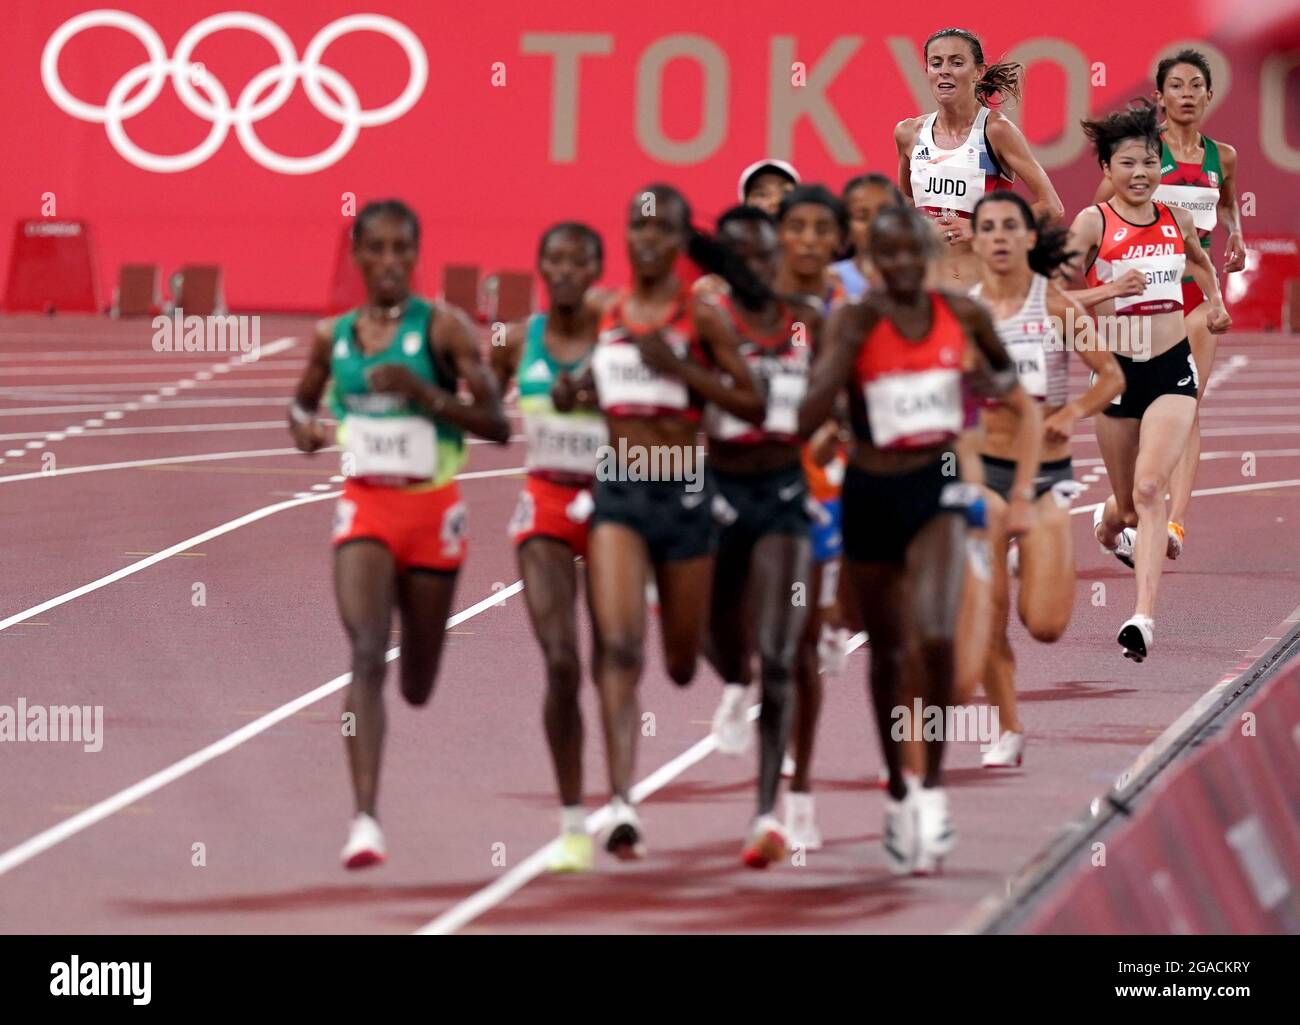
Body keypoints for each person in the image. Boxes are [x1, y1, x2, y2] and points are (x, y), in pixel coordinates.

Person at [799, 204, 1041, 875]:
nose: (903, 265)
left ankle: (931, 790)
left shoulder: (960, 317)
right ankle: (900, 790)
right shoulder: (852, 320)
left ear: (929, 257)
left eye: (915, 253)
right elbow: (814, 407)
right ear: (873, 263)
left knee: (934, 636)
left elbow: (1005, 383)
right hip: (870, 495)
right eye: (889, 255)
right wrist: (835, 366)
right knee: (888, 652)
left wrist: (985, 379)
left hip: (935, 490)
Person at [287, 199, 509, 868]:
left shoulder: (444, 328)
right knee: (363, 650)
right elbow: (302, 405)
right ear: (356, 256)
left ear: (416, 255)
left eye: (400, 250)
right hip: (366, 508)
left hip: (432, 512)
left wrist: (423, 390)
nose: (388, 262)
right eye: (375, 249)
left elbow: (497, 423)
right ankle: (364, 820)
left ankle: (416, 667)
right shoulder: (333, 337)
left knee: (415, 680)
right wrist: (304, 428)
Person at [554, 184, 767, 859]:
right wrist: (575, 389)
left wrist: (681, 370)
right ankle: (620, 802)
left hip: (684, 492)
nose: (647, 241)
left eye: (661, 231)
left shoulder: (699, 315)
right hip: (618, 492)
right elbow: (587, 382)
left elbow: (751, 400)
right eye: (636, 228)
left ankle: (734, 676)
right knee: (617, 646)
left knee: (679, 661)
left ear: (680, 241)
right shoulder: (604, 310)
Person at [1065, 100, 1231, 661]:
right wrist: (1106, 291)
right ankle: (1108, 526)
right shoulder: (1093, 223)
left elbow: (1199, 261)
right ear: (1107, 170)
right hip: (1115, 374)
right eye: (1128, 164)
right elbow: (1056, 294)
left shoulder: (1174, 218)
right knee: (1127, 505)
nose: (1141, 174)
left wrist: (1215, 301)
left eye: (1149, 163)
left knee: (1149, 489)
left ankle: (1142, 618)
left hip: (1169, 367)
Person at [968, 191, 1124, 766]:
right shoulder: (965, 313)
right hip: (983, 471)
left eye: (1013, 225)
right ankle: (1008, 727)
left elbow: (1110, 379)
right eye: (990, 227)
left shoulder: (1056, 306)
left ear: (1030, 238)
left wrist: (1070, 412)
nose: (1002, 236)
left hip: (1046, 474)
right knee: (985, 609)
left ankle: (1028, 553)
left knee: (1046, 625)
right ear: (977, 240)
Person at [700, 205, 821, 866]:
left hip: (782, 495)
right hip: (718, 493)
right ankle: (732, 679)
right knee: (706, 637)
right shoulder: (705, 321)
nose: (749, 263)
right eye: (735, 252)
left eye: (759, 251)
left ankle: (767, 812)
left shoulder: (810, 319)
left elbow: (845, 391)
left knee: (780, 651)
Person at [1094, 49, 1245, 559]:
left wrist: (1237, 235)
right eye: (1174, 85)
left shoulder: (1220, 156)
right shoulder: (1142, 153)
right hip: (1144, 297)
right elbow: (1103, 210)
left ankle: (1174, 524)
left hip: (1194, 292)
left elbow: (1225, 201)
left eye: (1194, 85)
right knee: (1136, 417)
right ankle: (1122, 509)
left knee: (1188, 405)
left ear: (1208, 94)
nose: (1185, 94)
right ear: (1159, 96)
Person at [491, 222, 606, 872]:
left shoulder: (615, 338)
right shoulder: (514, 338)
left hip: (617, 503)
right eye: (552, 260)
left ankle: (619, 796)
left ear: (594, 269)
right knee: (563, 660)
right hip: (547, 506)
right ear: (539, 267)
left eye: (577, 261)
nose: (563, 271)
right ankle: (571, 822)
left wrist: (596, 394)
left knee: (618, 655)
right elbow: (480, 406)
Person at [895, 27, 1064, 290]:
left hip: (982, 288)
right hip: (926, 288)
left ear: (978, 72)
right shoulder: (909, 133)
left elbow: (1051, 207)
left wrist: (983, 227)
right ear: (927, 71)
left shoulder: (996, 130)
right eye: (936, 63)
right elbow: (906, 201)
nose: (944, 70)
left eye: (957, 62)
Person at [830, 173, 906, 301]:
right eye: (862, 216)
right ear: (847, 227)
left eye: (885, 212)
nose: (875, 223)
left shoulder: (925, 279)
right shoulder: (830, 281)